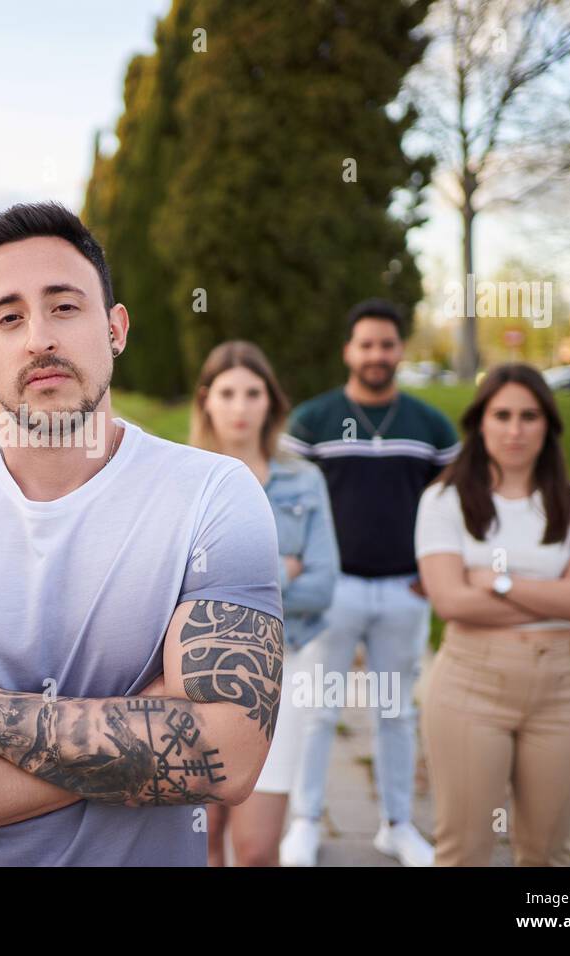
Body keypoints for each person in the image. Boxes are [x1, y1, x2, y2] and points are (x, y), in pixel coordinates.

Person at [0, 202, 284, 866]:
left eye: (64, 307)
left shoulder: (214, 495)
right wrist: (140, 733)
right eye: (10, 317)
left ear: (115, 327)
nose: (39, 337)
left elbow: (226, 761)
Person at [279, 298, 459, 867]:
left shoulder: (430, 425)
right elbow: (290, 503)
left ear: (400, 350)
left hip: (405, 589)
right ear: (348, 351)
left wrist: (437, 573)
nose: (377, 354)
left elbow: (453, 504)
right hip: (334, 591)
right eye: (367, 344)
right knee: (319, 709)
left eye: (387, 344)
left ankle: (397, 825)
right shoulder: (313, 420)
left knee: (397, 713)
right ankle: (304, 822)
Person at [415, 363, 570, 866]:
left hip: (563, 691)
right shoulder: (444, 501)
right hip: (470, 687)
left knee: (544, 853)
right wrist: (557, 593)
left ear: (547, 424)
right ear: (480, 422)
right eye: (501, 414)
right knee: (464, 851)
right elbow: (451, 602)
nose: (514, 429)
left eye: (529, 416)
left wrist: (500, 582)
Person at [191, 342, 339, 867]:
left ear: (270, 403)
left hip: (288, 668)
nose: (240, 407)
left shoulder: (304, 480)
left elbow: (323, 586)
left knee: (255, 850)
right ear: (206, 401)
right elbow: (171, 589)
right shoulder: (185, 480)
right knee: (200, 841)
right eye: (227, 393)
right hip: (197, 678)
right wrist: (281, 569)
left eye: (253, 393)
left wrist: (225, 588)